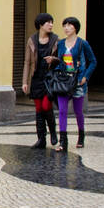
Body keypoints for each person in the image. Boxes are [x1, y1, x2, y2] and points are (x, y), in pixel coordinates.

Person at [52, 17, 96, 151]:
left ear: (75, 27)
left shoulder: (83, 44)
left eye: (69, 25)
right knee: (62, 111)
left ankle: (81, 136)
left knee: (78, 111)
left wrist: (85, 77)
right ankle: (63, 142)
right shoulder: (60, 44)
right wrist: (53, 62)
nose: (66, 28)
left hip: (78, 81)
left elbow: (93, 61)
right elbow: (59, 61)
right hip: (64, 81)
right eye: (64, 25)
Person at [21, 13, 60, 149]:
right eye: (48, 22)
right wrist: (25, 81)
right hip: (36, 78)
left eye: (52, 22)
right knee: (38, 108)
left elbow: (62, 59)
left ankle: (53, 133)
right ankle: (41, 138)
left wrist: (53, 59)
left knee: (45, 106)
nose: (51, 25)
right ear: (40, 25)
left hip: (49, 79)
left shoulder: (56, 40)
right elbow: (27, 62)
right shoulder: (32, 40)